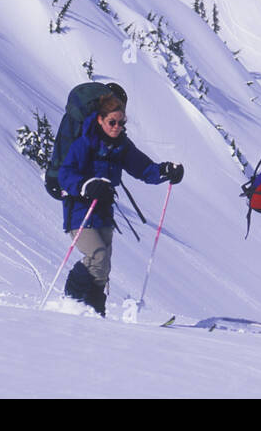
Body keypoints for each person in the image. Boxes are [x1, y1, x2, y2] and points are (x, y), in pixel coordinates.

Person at [57, 92, 183, 315]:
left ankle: (95, 312)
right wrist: (86, 186)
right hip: (80, 211)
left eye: (121, 122)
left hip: (104, 212)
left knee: (103, 268)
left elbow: (144, 169)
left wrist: (165, 170)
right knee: (97, 258)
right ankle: (72, 301)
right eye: (112, 122)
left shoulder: (121, 146)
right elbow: (65, 174)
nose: (117, 127)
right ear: (100, 119)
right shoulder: (84, 144)